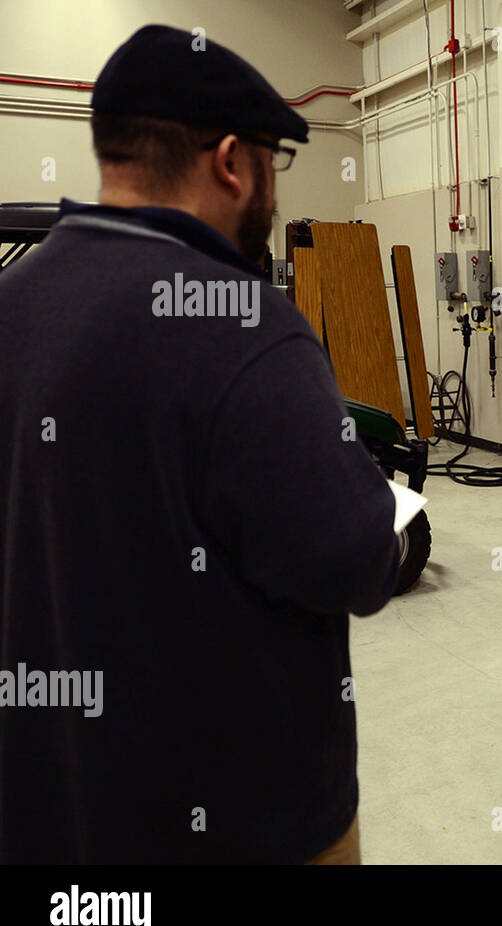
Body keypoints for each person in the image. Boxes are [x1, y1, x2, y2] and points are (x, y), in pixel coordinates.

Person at [0, 25, 399, 863]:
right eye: (271, 163)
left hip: (54, 813)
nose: (272, 194)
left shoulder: (13, 301)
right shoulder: (245, 325)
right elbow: (360, 559)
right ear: (230, 162)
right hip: (245, 821)